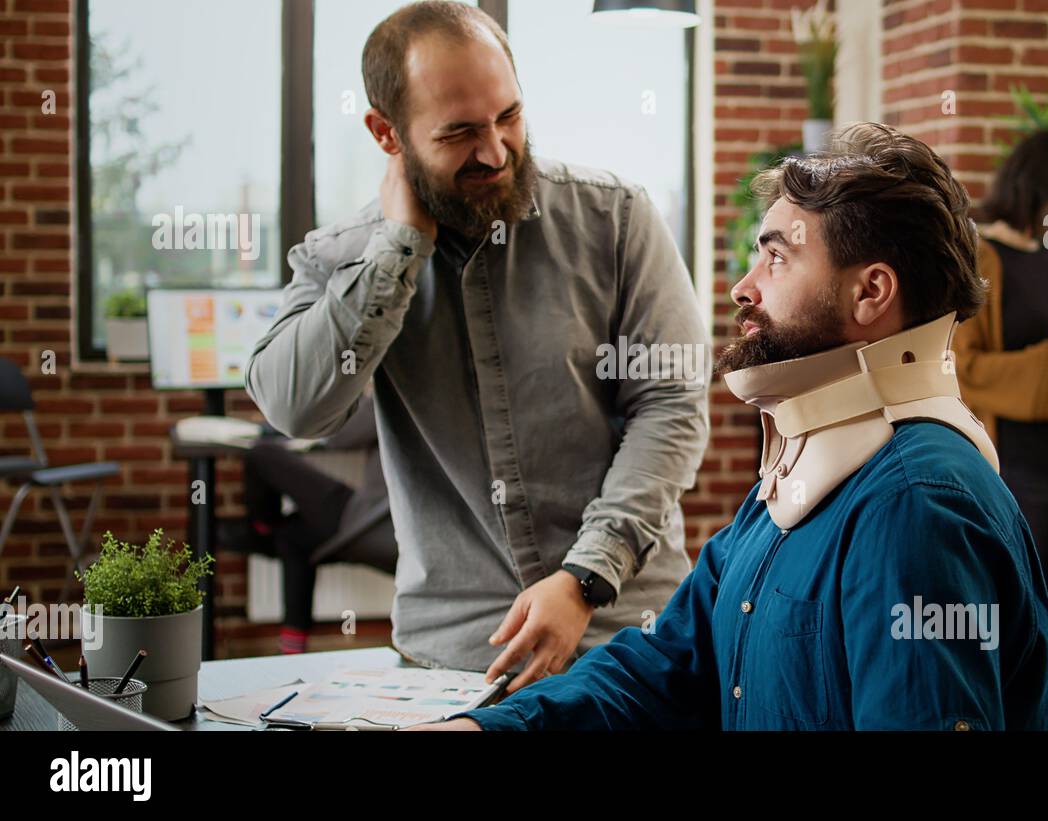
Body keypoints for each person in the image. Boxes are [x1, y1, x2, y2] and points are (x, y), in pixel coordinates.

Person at [413, 124, 1048, 731]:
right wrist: (483, 726)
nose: (742, 289)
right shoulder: (800, 476)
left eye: (776, 261)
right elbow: (664, 666)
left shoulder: (917, 507)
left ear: (871, 292)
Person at [245, 1, 709, 689]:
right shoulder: (344, 257)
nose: (494, 150)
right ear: (387, 133)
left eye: (509, 116)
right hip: (453, 661)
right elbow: (292, 406)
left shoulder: (618, 219)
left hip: (627, 636)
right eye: (459, 132)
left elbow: (671, 406)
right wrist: (399, 251)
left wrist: (584, 578)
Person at [951, 130, 1048, 634]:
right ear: (1033, 191)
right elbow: (962, 369)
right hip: (1022, 463)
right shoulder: (981, 256)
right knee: (1018, 608)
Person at [230, 394, 396, 654]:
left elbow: (340, 437)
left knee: (261, 454)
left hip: (366, 522)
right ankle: (292, 646)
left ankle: (262, 529)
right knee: (295, 537)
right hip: (400, 544)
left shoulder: (393, 396)